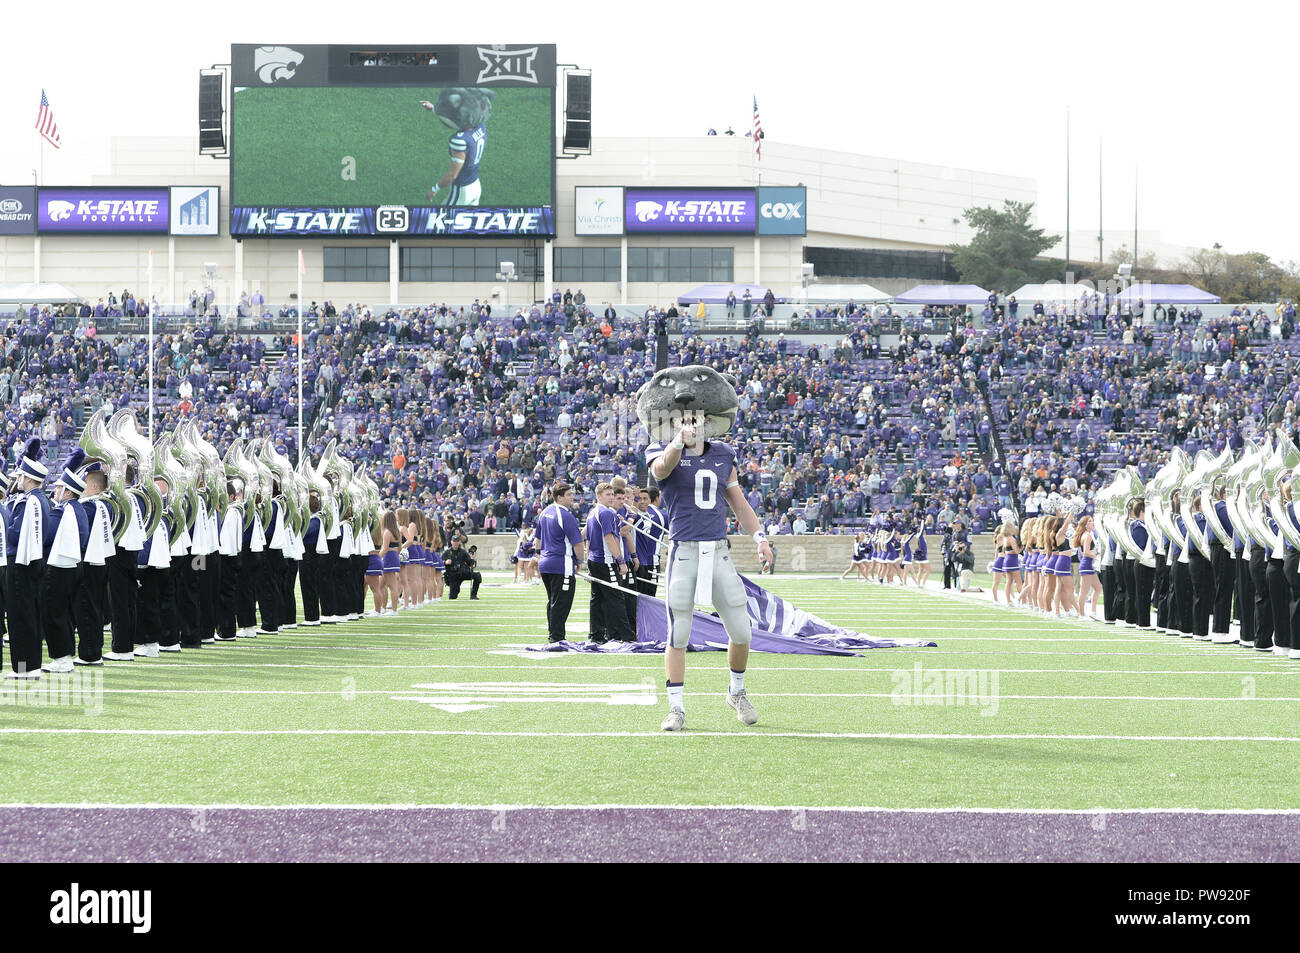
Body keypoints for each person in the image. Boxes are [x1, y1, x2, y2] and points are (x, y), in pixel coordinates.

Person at [647, 418, 773, 731]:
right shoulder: (663, 448)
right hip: (684, 551)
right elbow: (660, 470)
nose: (692, 423)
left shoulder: (723, 454)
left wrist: (760, 538)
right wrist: (678, 441)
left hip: (718, 551)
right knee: (679, 633)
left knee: (742, 631)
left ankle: (737, 691)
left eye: (699, 417)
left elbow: (740, 505)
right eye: (685, 417)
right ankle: (676, 708)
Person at [537, 483, 585, 643]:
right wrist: (580, 561)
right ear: (559, 497)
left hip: (545, 563)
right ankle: (556, 637)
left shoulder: (544, 513)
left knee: (553, 600)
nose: (572, 497)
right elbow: (578, 543)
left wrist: (539, 556)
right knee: (562, 602)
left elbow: (537, 540)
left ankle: (554, 634)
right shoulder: (566, 515)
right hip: (561, 564)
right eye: (569, 495)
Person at [443, 536, 481, 600]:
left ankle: (473, 595)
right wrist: (445, 562)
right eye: (454, 541)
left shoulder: (463, 552)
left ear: (459, 542)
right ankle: (452, 592)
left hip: (463, 572)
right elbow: (440, 564)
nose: (456, 543)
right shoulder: (447, 552)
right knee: (453, 596)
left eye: (457, 541)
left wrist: (473, 559)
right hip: (453, 575)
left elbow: (471, 564)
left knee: (477, 576)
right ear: (451, 542)